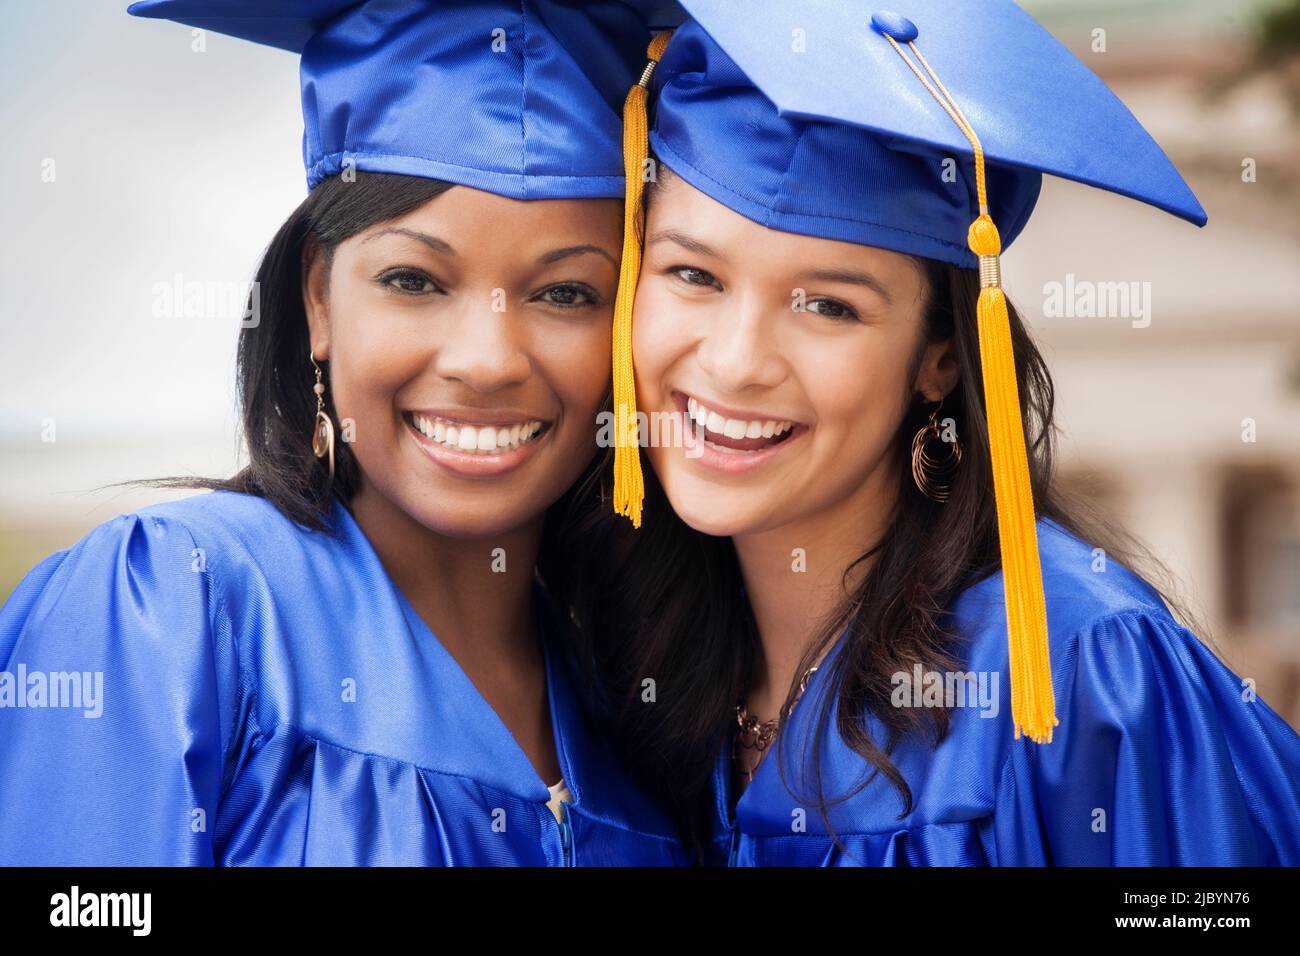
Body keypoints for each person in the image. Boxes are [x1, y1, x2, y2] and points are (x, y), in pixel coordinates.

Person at [582, 0, 1300, 865]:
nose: (737, 364)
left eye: (829, 305)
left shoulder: (1079, 666)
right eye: (693, 273)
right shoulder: (627, 657)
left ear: (940, 362)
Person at [0, 0, 690, 866]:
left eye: (565, 294)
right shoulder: (176, 610)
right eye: (413, 279)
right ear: (319, 299)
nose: (486, 361)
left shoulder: (636, 710)